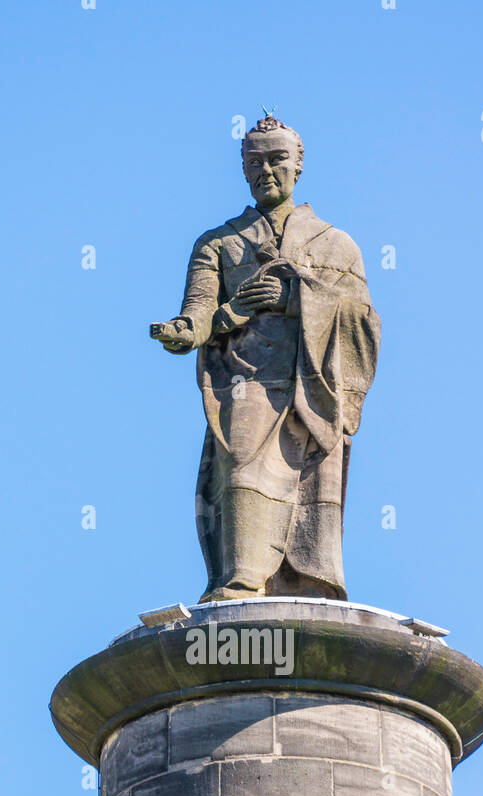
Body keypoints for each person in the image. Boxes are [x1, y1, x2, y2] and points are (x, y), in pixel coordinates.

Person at [151, 115, 380, 602]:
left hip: (314, 385)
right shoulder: (217, 243)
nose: (266, 170)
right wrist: (190, 329)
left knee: (311, 483)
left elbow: (363, 323)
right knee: (241, 469)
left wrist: (294, 299)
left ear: (299, 165)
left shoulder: (336, 244)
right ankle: (242, 581)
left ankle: (307, 584)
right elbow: (199, 312)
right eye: (254, 162)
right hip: (246, 381)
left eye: (277, 159)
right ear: (243, 170)